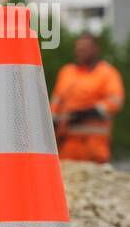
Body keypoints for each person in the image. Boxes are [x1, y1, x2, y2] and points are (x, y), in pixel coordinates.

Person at [50, 33, 124, 163]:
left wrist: (87, 113)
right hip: (66, 147)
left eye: (84, 50)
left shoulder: (107, 73)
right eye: (78, 50)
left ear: (95, 49)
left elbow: (115, 102)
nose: (80, 53)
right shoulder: (67, 72)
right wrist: (53, 120)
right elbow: (55, 103)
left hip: (94, 148)